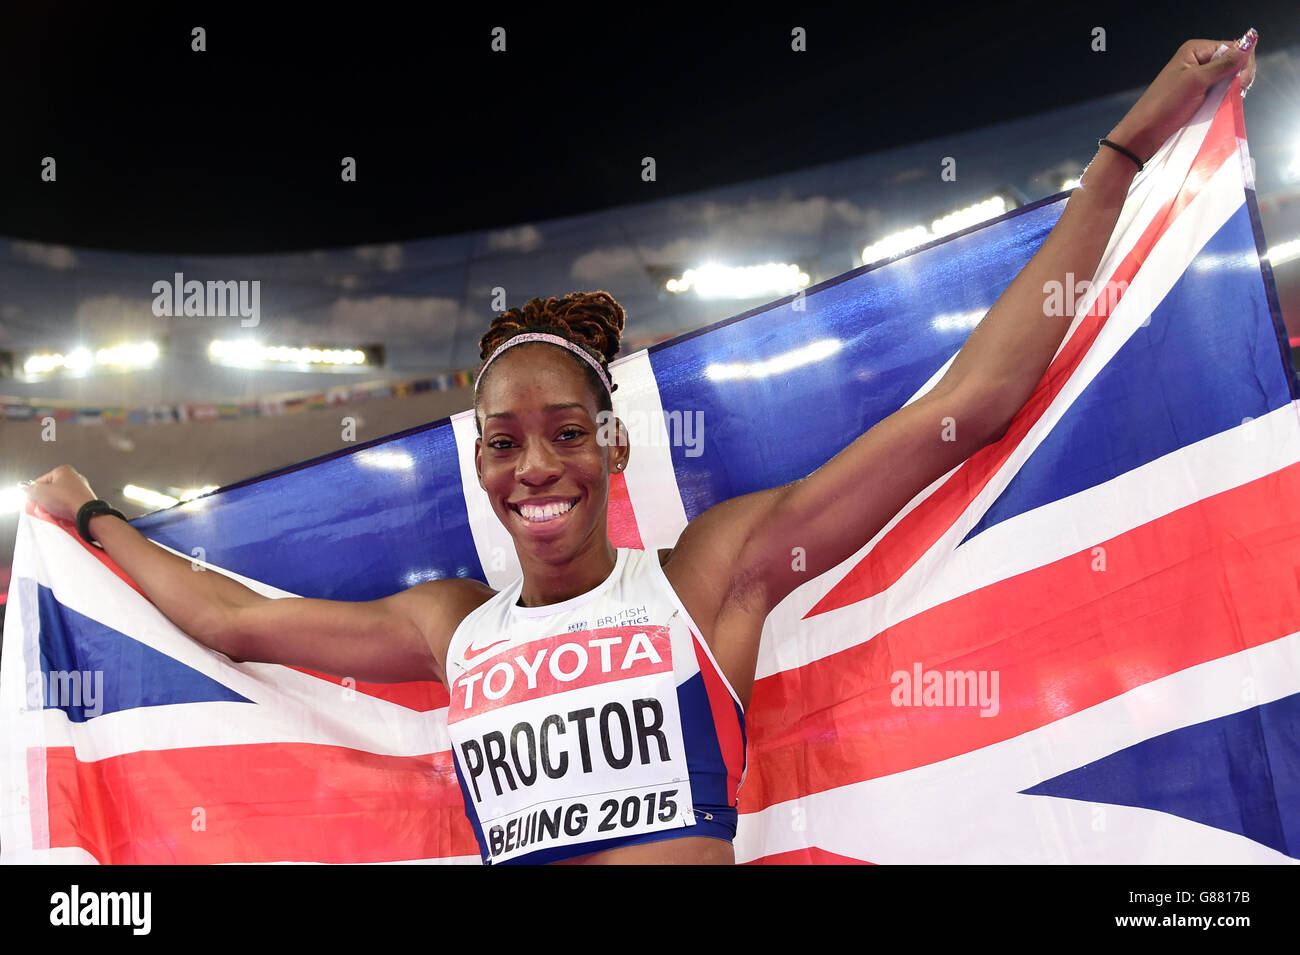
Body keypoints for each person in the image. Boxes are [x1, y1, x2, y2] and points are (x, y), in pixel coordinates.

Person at [23, 33, 1259, 865]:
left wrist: (1122, 155)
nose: (535, 466)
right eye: (503, 444)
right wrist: (86, 523)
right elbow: (228, 622)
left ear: (612, 446)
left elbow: (972, 405)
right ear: (480, 471)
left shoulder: (706, 576)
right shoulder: (447, 630)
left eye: (565, 434)